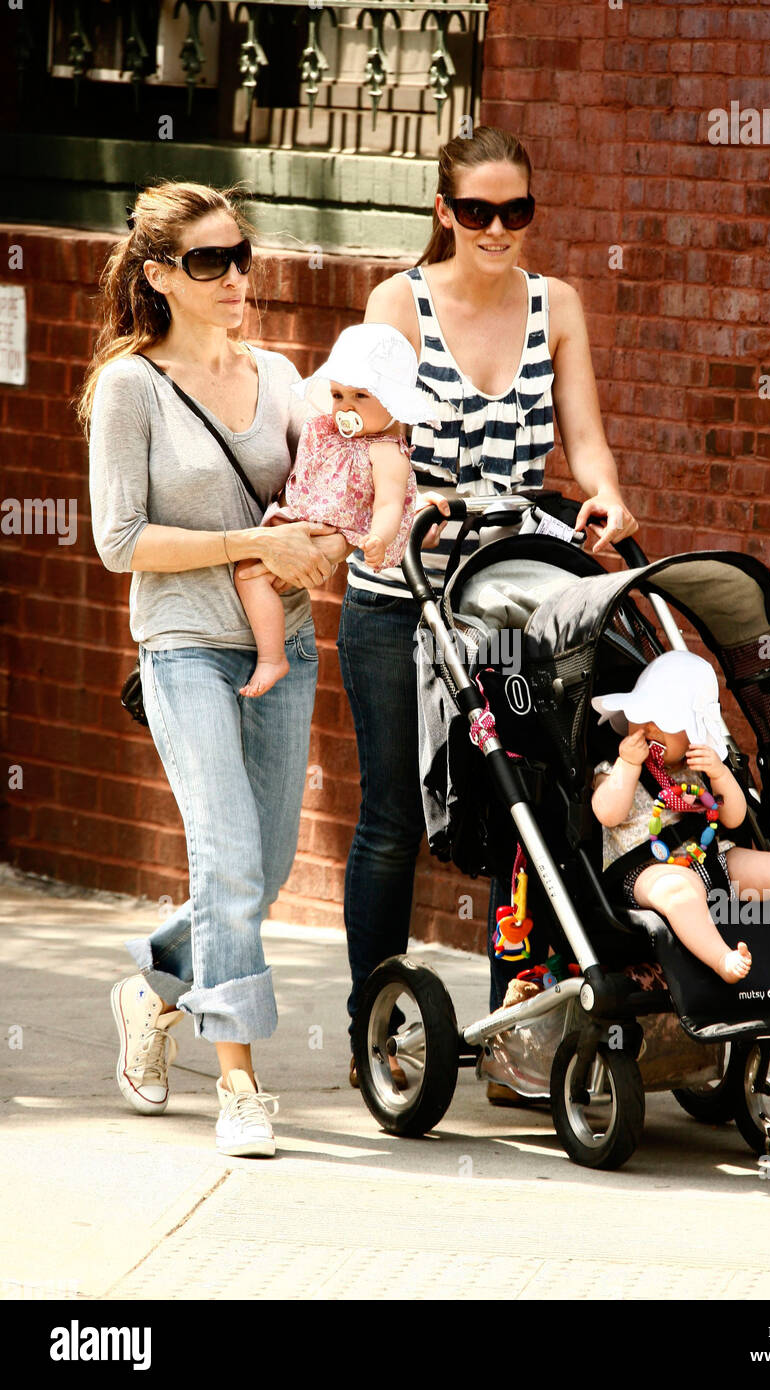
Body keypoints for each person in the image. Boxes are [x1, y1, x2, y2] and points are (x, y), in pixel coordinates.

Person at [322, 126, 639, 1099]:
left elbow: (583, 439)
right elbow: (367, 436)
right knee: (389, 819)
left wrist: (606, 496)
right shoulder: (396, 302)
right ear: (443, 212)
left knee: (522, 805)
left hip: (506, 595)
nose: (497, 229)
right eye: (477, 211)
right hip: (400, 593)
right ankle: (372, 1025)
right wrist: (419, 498)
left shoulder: (558, 306)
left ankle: (513, 1040)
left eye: (516, 211)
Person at [81, 181, 347, 1155]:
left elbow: (312, 505)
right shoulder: (130, 386)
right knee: (229, 857)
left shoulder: (280, 376)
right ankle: (238, 1082)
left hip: (285, 642)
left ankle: (151, 997)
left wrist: (324, 543)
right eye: (208, 262)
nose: (236, 276)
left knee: (263, 868)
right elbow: (119, 541)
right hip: (182, 646)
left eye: (241, 254)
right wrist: (248, 541)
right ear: (159, 276)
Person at [591, 651, 770, 983]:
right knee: (682, 891)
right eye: (641, 716)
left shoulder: (698, 768)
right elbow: (607, 812)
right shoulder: (613, 770)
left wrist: (719, 773)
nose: (647, 728)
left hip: (711, 857)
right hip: (648, 871)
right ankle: (721, 958)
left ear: (692, 732)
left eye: (663, 722)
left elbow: (733, 818)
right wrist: (628, 766)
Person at [232, 324, 440, 697]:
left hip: (332, 533)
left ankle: (271, 657)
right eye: (338, 394)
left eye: (361, 395)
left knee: (250, 575)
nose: (346, 406)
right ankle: (266, 646)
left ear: (392, 402)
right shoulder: (323, 430)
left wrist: (380, 536)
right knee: (254, 572)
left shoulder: (386, 452)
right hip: (299, 522)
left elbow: (389, 503)